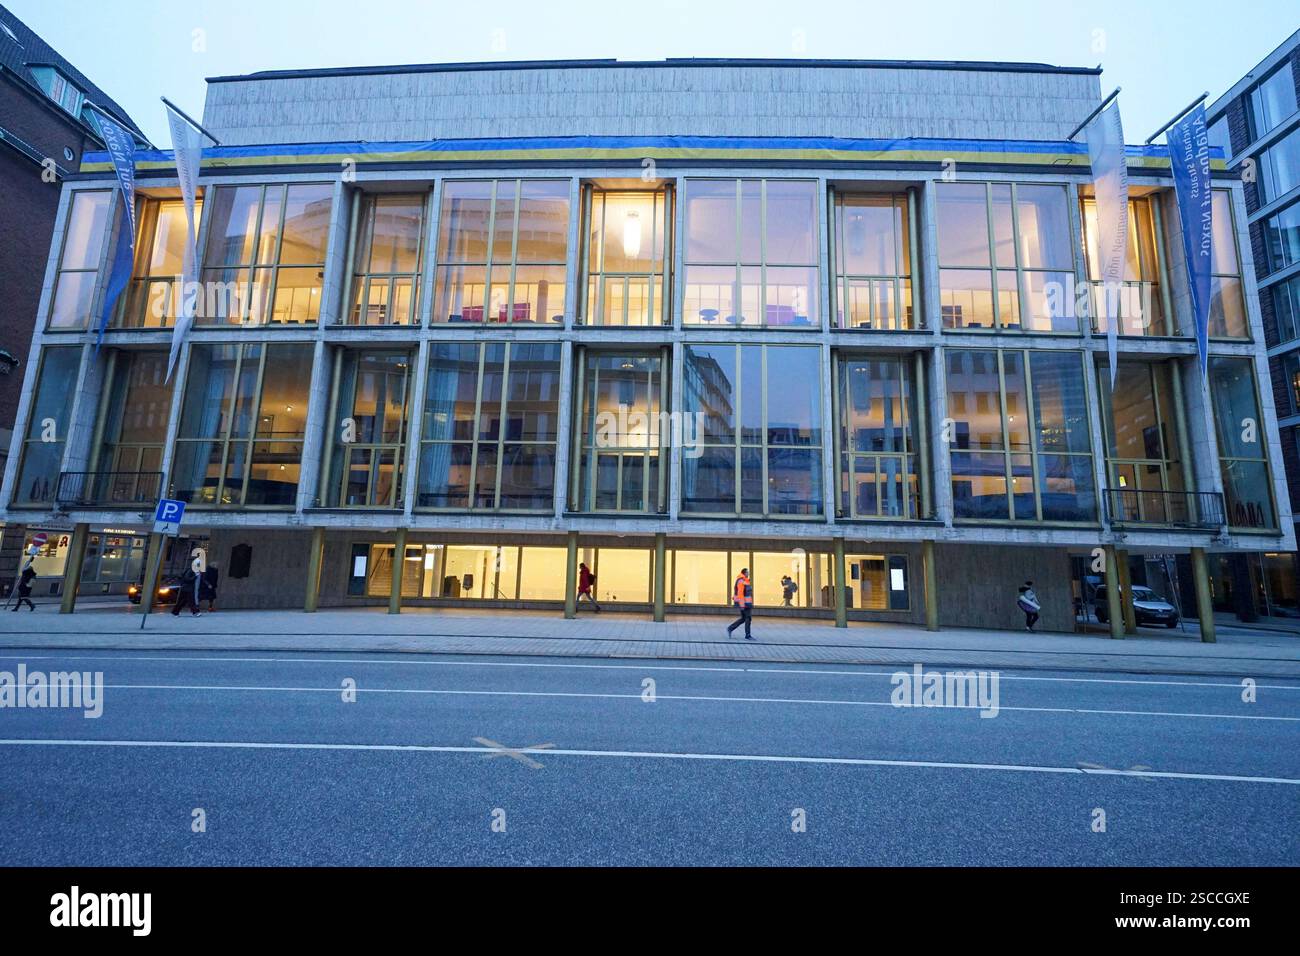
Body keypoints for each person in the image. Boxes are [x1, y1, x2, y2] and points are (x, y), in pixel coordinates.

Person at [727, 567, 754, 640]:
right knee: (748, 618)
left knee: (743, 618)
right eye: (747, 572)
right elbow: (740, 593)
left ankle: (730, 628)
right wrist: (742, 605)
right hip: (744, 604)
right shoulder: (741, 581)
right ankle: (747, 635)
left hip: (746, 603)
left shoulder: (745, 581)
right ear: (744, 573)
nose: (748, 574)